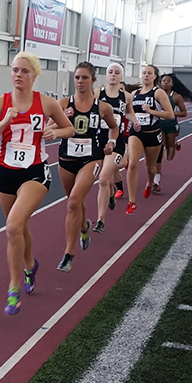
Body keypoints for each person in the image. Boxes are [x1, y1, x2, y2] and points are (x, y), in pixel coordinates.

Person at [0, 52, 74, 316]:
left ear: (34, 76)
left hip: (35, 171)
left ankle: (13, 287)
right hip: (6, 172)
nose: (18, 75)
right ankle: (30, 265)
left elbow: (70, 130)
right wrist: (4, 122)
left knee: (12, 226)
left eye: (24, 71)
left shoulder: (46, 103)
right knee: (18, 228)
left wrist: (55, 131)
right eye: (14, 70)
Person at [46, 61, 119, 272]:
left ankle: (68, 254)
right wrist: (60, 121)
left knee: (73, 202)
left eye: (85, 78)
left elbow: (114, 128)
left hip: (91, 159)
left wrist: (111, 143)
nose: (80, 82)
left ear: (93, 81)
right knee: (74, 202)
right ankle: (84, 226)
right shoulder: (63, 103)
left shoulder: (103, 107)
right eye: (77, 78)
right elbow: (46, 129)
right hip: (66, 160)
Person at [91, 62, 136, 234]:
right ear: (106, 74)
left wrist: (135, 121)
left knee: (103, 179)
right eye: (110, 72)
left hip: (116, 142)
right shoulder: (97, 93)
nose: (113, 75)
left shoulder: (126, 97)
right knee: (105, 179)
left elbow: (129, 112)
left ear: (121, 76)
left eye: (117, 72)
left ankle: (100, 220)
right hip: (97, 140)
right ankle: (111, 194)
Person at [126, 65, 174, 215]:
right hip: (137, 133)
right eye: (144, 73)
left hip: (153, 134)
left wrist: (151, 111)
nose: (146, 75)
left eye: (149, 73)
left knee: (150, 167)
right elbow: (128, 112)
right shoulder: (134, 93)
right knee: (133, 163)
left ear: (155, 76)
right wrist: (133, 121)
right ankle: (132, 202)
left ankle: (149, 183)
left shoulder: (158, 93)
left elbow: (170, 115)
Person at [154, 73, 192, 192]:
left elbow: (184, 113)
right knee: (159, 149)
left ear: (172, 84)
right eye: (163, 81)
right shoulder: (156, 94)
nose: (165, 82)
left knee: (170, 155)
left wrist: (171, 114)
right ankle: (157, 174)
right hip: (159, 125)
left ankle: (175, 144)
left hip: (171, 126)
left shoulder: (176, 97)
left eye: (168, 81)